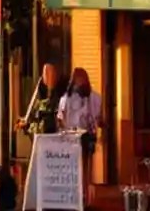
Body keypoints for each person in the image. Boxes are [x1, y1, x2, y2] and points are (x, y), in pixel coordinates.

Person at [57, 67, 103, 206]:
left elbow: (97, 117)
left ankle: (85, 196)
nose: (80, 82)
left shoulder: (93, 97)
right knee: (72, 168)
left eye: (82, 79)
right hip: (71, 136)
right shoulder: (66, 98)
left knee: (86, 168)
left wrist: (98, 126)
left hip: (86, 136)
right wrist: (63, 129)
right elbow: (60, 116)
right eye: (77, 79)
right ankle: (73, 196)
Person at [18, 62, 63, 136]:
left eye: (48, 73)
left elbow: (50, 121)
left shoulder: (59, 95)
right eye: (44, 73)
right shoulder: (40, 91)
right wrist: (26, 123)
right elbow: (33, 115)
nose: (45, 75)